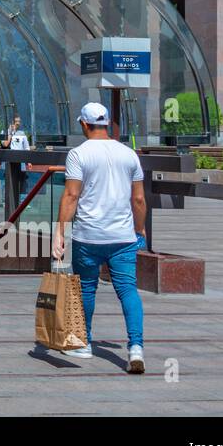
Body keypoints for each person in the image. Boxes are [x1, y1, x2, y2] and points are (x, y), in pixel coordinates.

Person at [52, 102, 148, 374]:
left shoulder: (78, 154)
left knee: (87, 289)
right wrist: (139, 229)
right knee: (128, 290)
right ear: (106, 124)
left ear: (84, 124)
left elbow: (71, 196)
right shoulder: (129, 154)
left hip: (89, 237)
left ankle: (84, 343)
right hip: (122, 236)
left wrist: (60, 231)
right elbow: (139, 199)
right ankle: (136, 348)